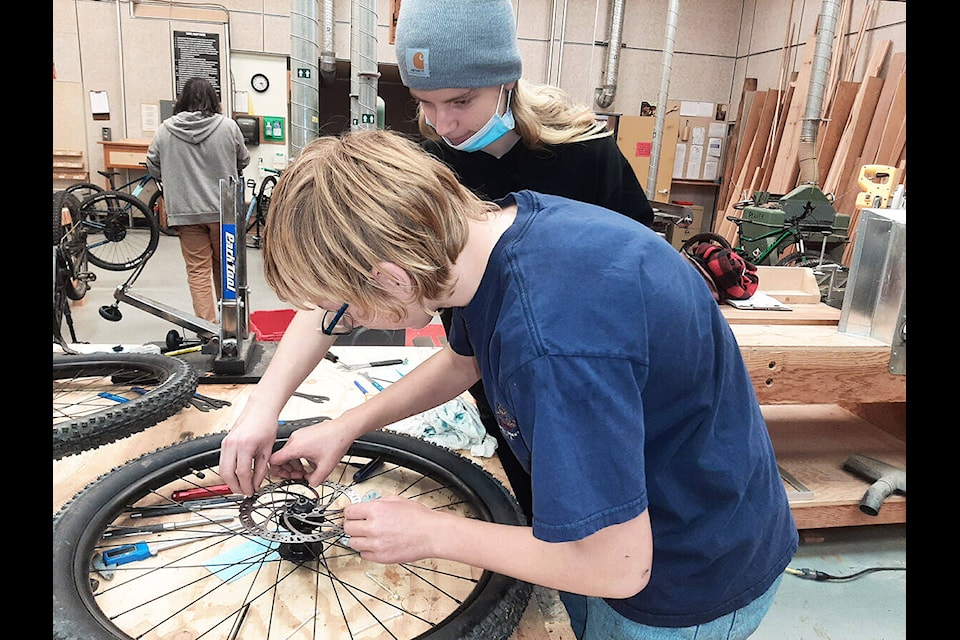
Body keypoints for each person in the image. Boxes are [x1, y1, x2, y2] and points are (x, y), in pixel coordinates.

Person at [219, 129, 797, 640]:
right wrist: (346, 425)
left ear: (392, 279)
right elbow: (464, 361)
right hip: (676, 505)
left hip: (685, 576)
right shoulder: (495, 239)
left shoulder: (549, 342)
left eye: (344, 311)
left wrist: (431, 532)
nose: (344, 324)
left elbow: (618, 567)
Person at [393, 0, 656, 520]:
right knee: (527, 513)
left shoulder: (585, 155)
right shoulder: (433, 165)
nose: (443, 123)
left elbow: (641, 276)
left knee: (588, 524)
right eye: (424, 102)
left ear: (506, 80)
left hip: (583, 391)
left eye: (461, 101)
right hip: (489, 383)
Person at [146, 77, 250, 324]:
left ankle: (207, 328)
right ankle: (231, 325)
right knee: (226, 268)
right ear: (213, 99)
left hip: (186, 212)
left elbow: (152, 164)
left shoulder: (165, 129)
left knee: (197, 270)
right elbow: (243, 160)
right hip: (223, 212)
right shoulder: (228, 127)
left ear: (182, 100)